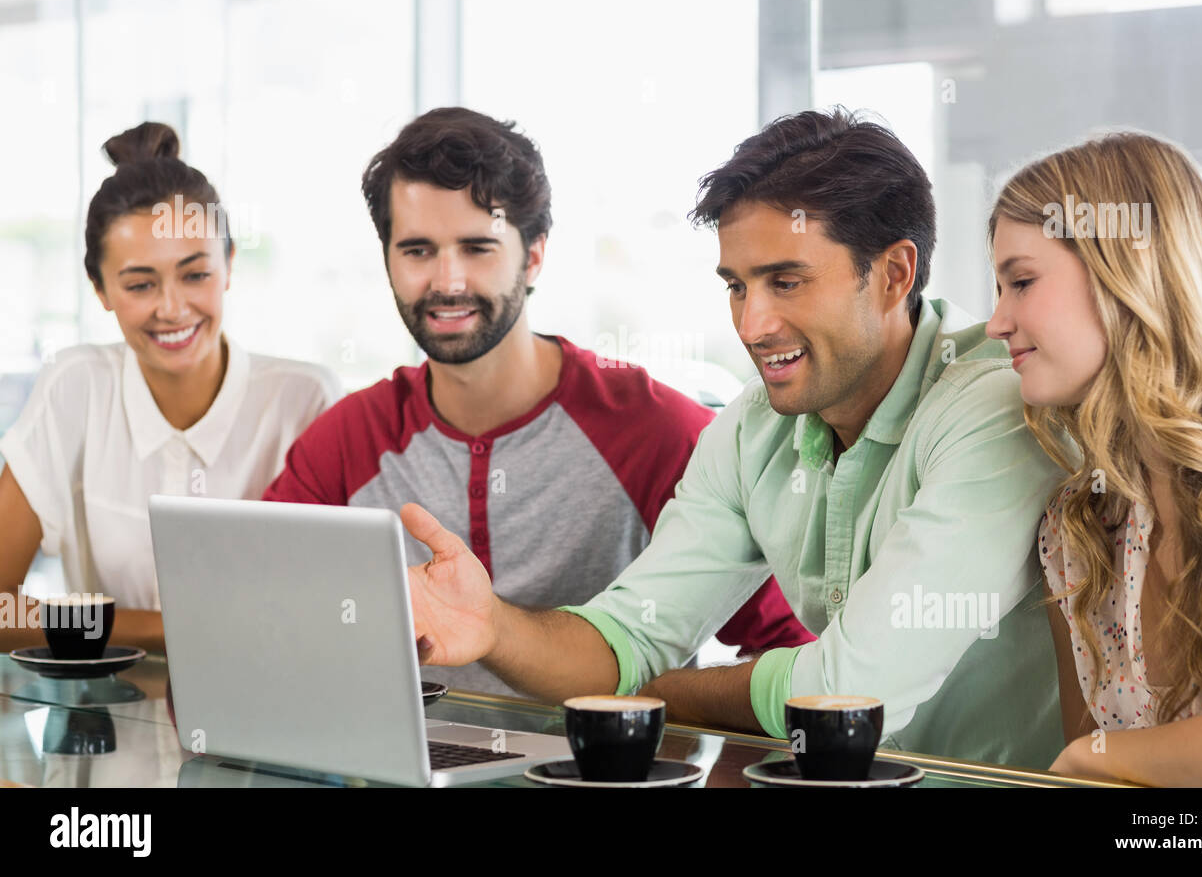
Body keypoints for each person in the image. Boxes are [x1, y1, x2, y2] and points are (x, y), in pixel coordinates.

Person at [400, 107, 1070, 768]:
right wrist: (491, 624)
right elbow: (623, 638)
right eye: (737, 287)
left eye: (786, 282)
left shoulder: (994, 407)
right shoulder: (754, 429)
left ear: (894, 274)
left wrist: (655, 694)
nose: (752, 325)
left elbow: (842, 694)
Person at [262, 107, 813, 695]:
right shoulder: (347, 438)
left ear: (534, 255)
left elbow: (793, 655)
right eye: (418, 251)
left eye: (477, 248)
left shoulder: (656, 429)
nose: (447, 281)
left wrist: (657, 712)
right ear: (388, 260)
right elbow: (253, 615)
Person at [986, 130, 1202, 786]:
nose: (996, 323)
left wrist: (1079, 757)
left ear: (1127, 270)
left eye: (1021, 282)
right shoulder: (1078, 528)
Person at [0, 122, 340, 652]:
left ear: (228, 265)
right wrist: (169, 631)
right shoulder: (76, 387)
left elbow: (345, 608)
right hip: (110, 715)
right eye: (139, 284)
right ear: (100, 290)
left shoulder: (304, 401)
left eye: (195, 274)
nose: (172, 308)